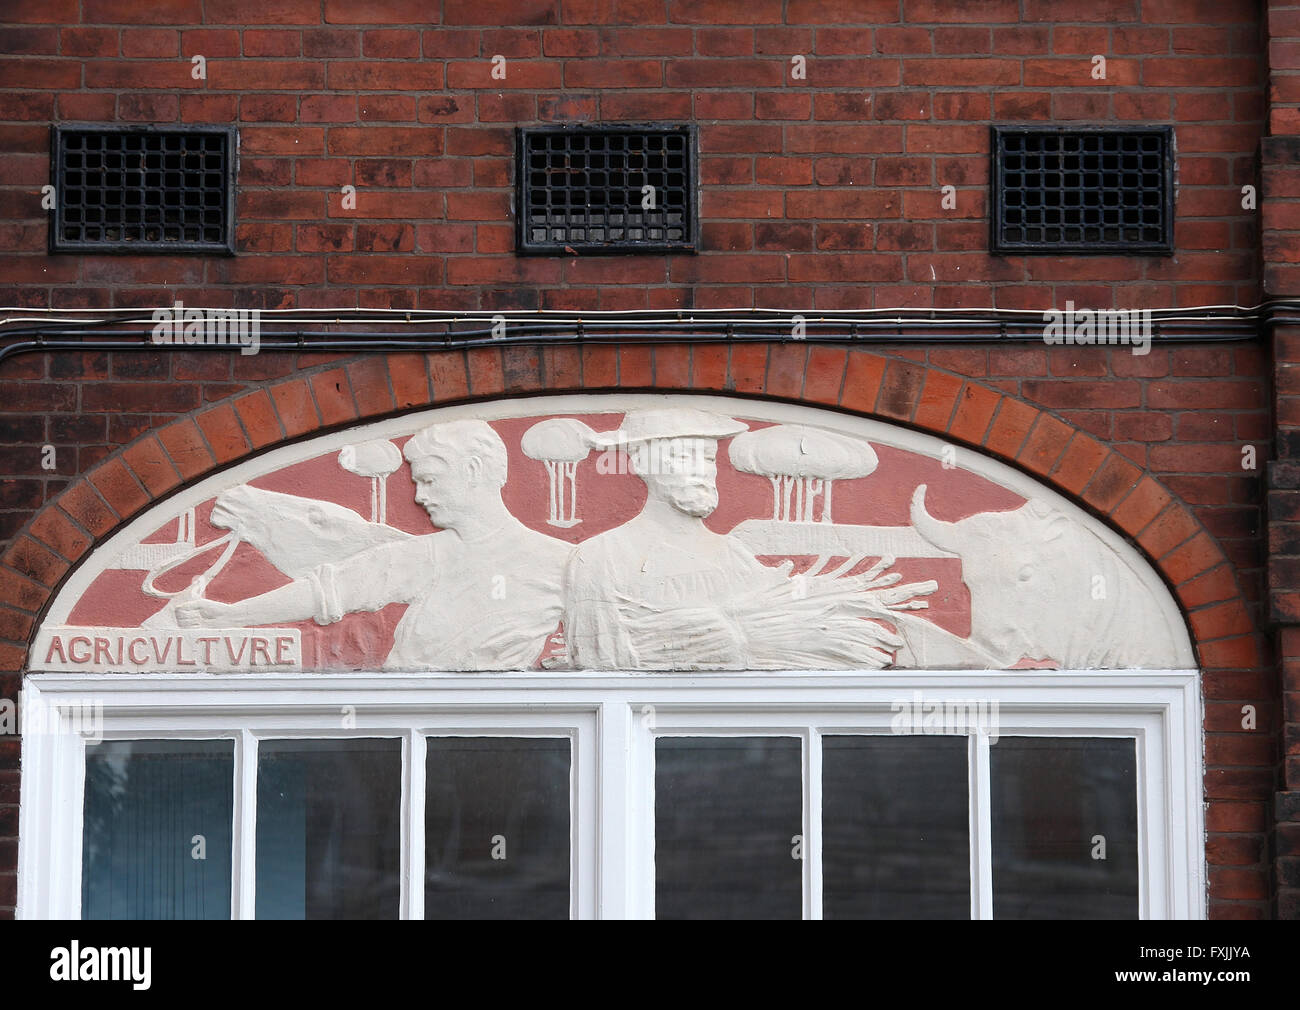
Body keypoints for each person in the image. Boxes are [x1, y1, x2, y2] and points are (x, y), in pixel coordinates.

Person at [175, 419, 571, 671]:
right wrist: (228, 616)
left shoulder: (564, 564)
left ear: (472, 472)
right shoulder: (424, 557)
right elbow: (330, 589)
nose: (418, 497)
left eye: (429, 480)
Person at [564, 408, 933, 670]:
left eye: (707, 459)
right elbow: (601, 663)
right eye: (681, 457)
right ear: (641, 464)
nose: (701, 471)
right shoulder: (599, 557)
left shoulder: (733, 556)